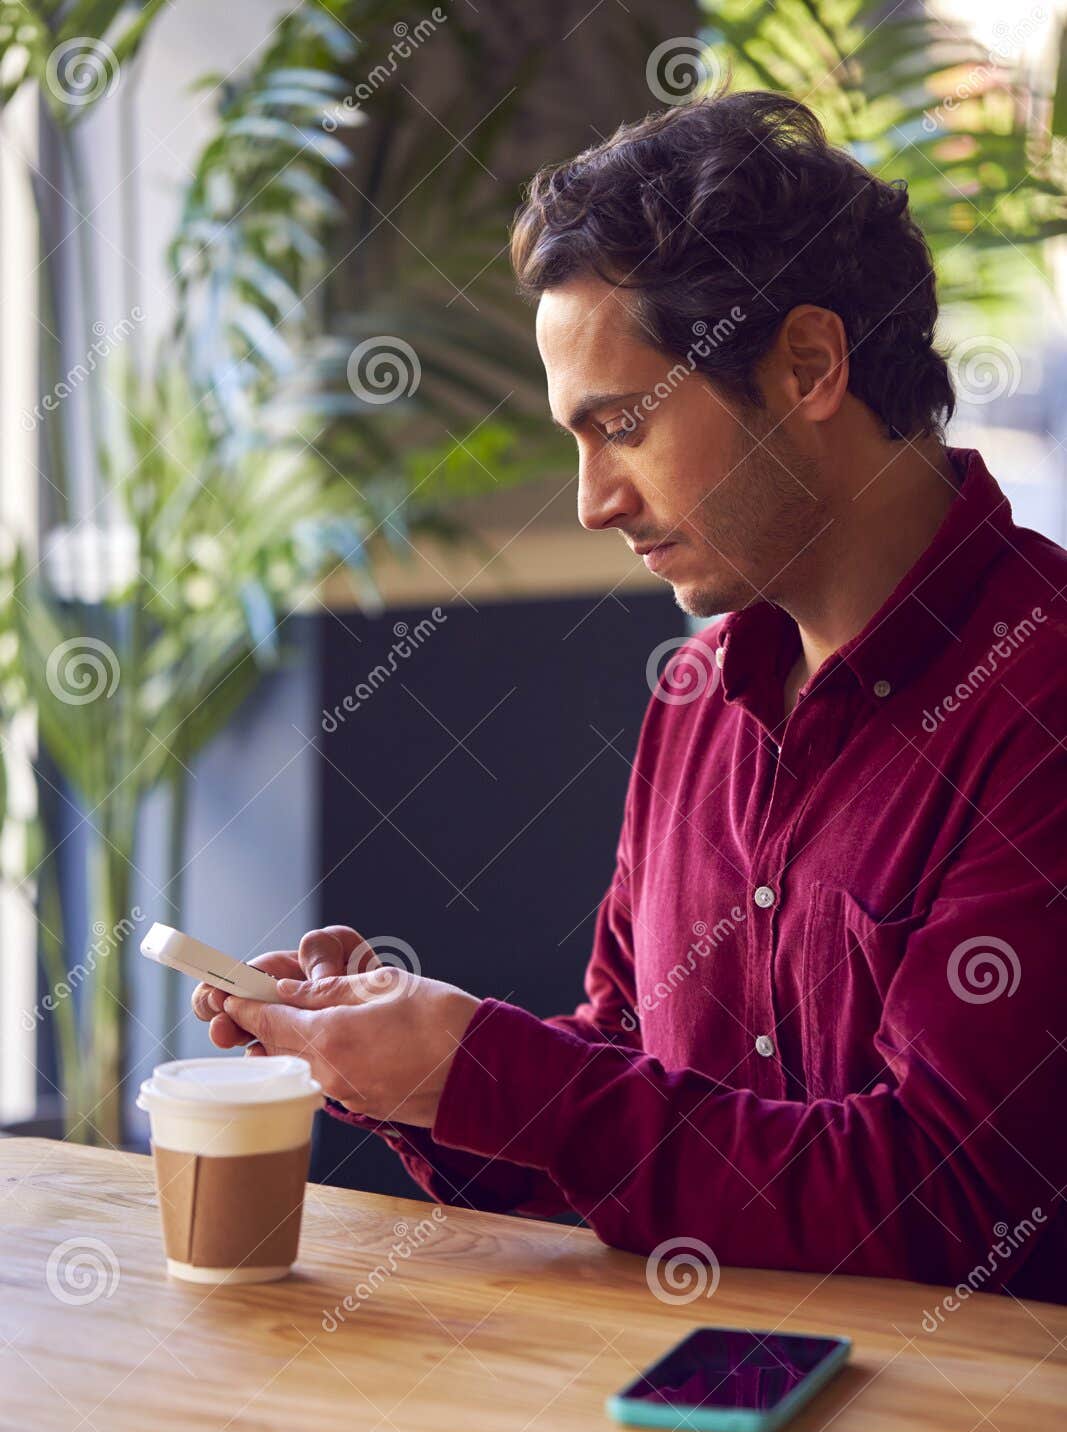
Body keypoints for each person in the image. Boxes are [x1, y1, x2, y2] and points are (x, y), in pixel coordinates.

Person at [194, 93, 1065, 1300]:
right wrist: (405, 1065)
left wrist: (487, 1073)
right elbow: (630, 1078)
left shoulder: (1038, 695)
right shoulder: (696, 695)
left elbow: (951, 1203)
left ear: (807, 366)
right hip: (683, 1417)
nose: (590, 500)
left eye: (620, 428)